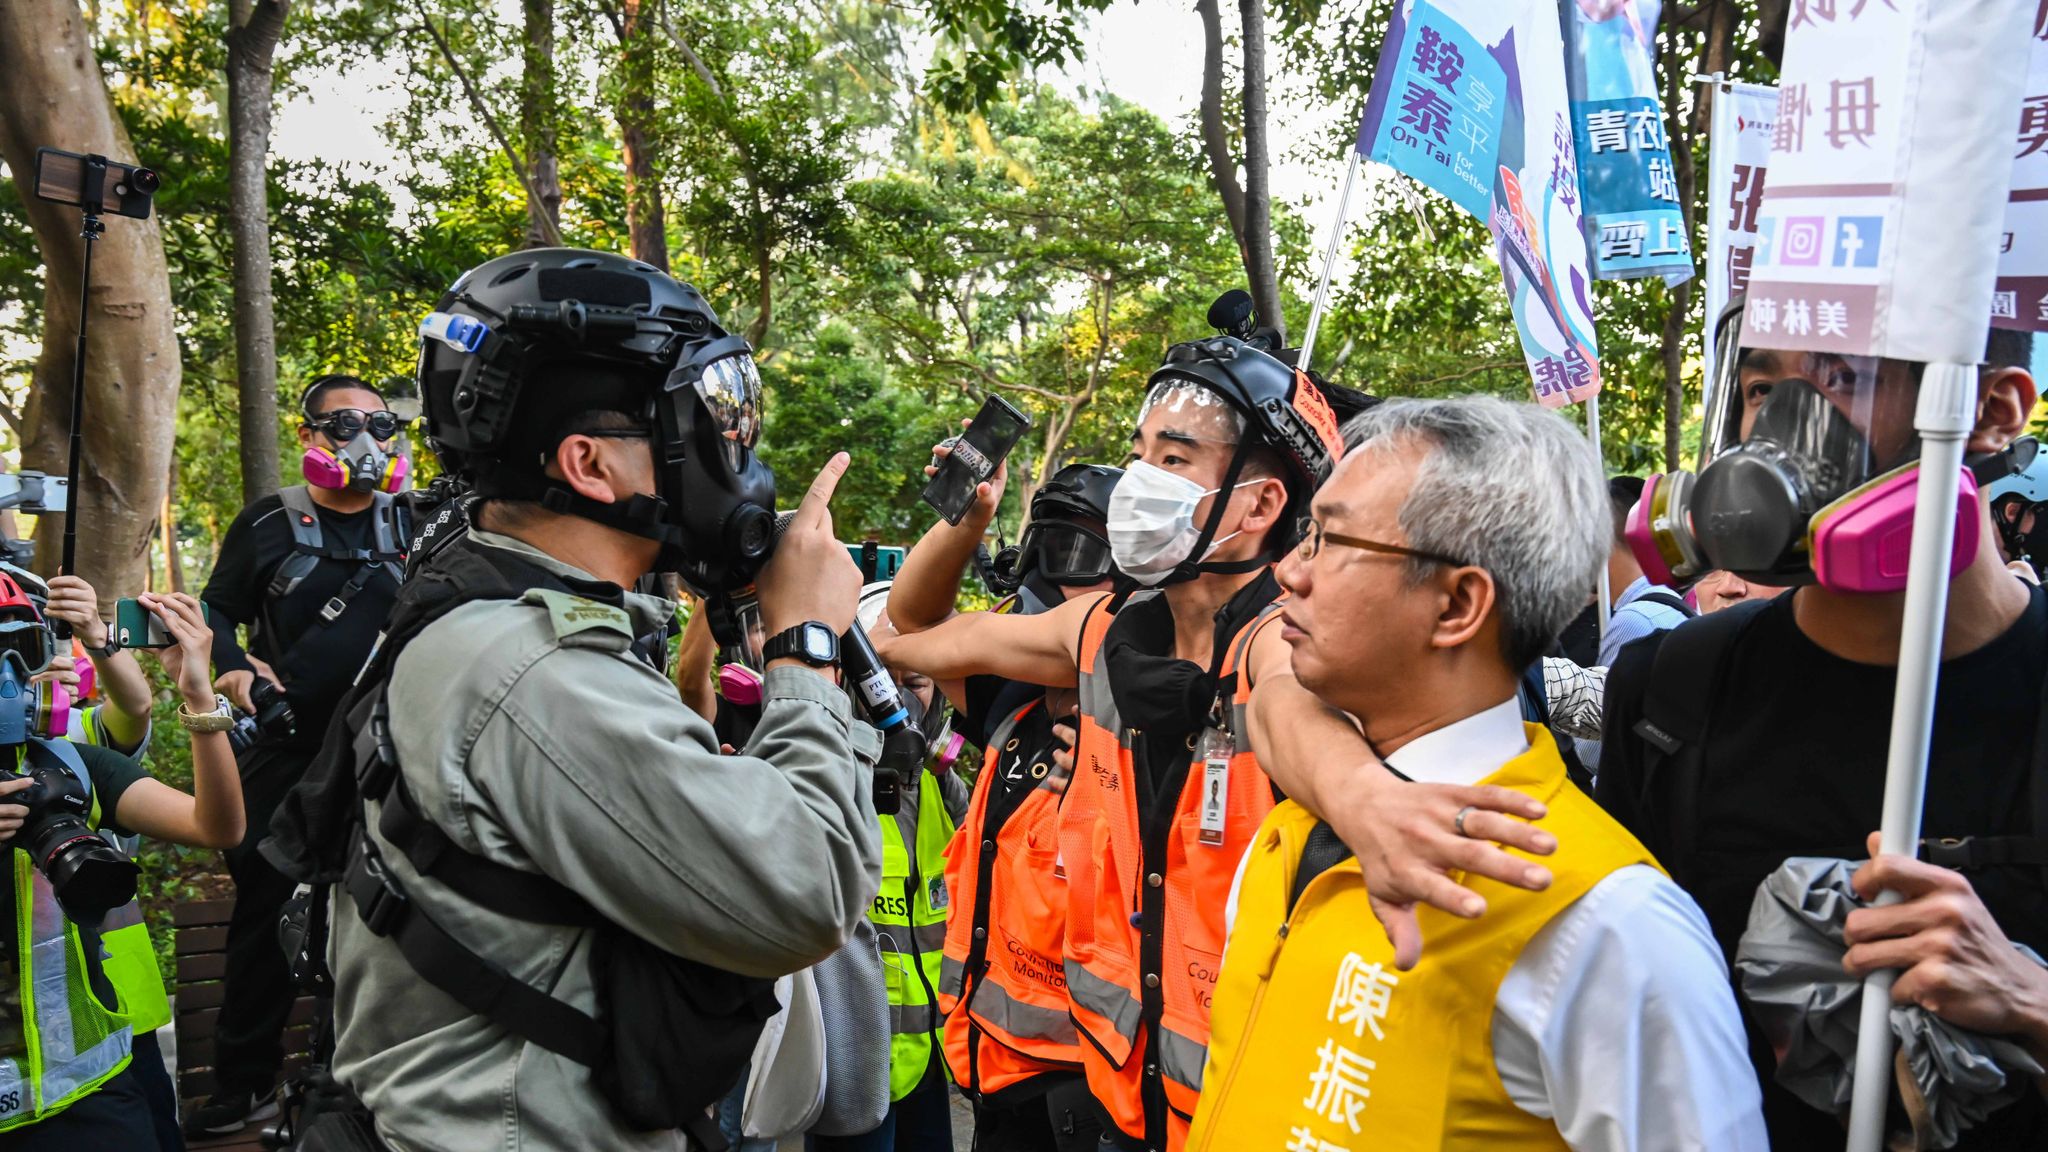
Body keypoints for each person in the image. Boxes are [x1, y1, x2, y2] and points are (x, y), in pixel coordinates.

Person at [263, 247, 880, 1152]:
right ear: (589, 464)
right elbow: (808, 893)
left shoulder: (487, 605)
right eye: (697, 421)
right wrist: (806, 648)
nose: (729, 454)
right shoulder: (536, 671)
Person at [879, 329, 1546, 1151]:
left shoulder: (1279, 639)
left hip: (1242, 1107)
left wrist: (1369, 801)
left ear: (1262, 506)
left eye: (1174, 459)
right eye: (1138, 452)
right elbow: (906, 634)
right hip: (1111, 1098)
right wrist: (969, 520)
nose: (1136, 482)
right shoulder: (1098, 629)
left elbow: (1291, 713)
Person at [1186, 395, 1765, 1150]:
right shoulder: (1297, 825)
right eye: (1306, 534)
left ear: (1457, 605)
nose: (1290, 573)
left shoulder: (1605, 924)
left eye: (1329, 540)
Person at [1595, 326, 2048, 1149]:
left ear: (1991, 411)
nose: (1780, 434)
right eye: (1763, 390)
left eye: (1840, 379)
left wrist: (2030, 1000)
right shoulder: (1669, 692)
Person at [188, 374, 413, 1138]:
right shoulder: (270, 523)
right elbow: (217, 609)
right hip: (286, 750)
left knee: (391, 908)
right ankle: (244, 1079)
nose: (367, 441)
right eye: (345, 423)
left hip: (388, 753)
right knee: (263, 908)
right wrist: (237, 669)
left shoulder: (419, 521)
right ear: (310, 434)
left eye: (382, 425)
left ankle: (366, 1075)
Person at [888, 457, 1122, 1151]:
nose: (1052, 574)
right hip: (998, 1075)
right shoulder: (1017, 708)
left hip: (1100, 1088)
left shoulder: (1159, 720)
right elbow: (915, 618)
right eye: (1048, 544)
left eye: (1081, 550)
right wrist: (971, 520)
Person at [1, 580, 246, 1150]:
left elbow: (218, 828)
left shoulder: (70, 766)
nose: (10, 675)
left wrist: (200, 696)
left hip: (90, 1096)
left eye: (22, 650)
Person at [807, 583, 967, 1152]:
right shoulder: (825, 781)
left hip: (928, 1057)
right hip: (852, 1056)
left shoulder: (945, 790)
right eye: (882, 683)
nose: (898, 701)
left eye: (915, 683)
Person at [38, 571, 184, 1152]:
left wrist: (97, 634)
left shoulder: (82, 736)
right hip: (38, 1010)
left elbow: (136, 704)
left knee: (155, 1126)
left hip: (120, 994)